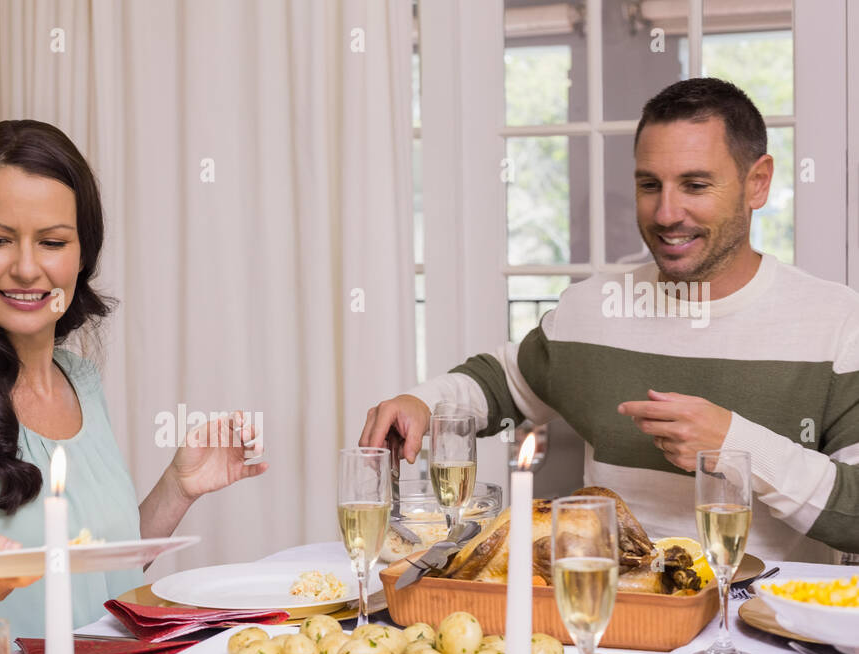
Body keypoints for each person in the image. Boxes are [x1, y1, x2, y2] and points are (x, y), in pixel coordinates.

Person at [362, 78, 859, 562]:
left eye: (695, 184)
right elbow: (501, 383)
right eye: (650, 185)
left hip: (766, 629)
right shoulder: (590, 310)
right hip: (606, 618)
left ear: (758, 182)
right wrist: (422, 402)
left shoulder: (835, 322)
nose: (667, 213)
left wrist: (734, 445)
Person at [0, 119, 266, 654]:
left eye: (52, 242)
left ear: (83, 254)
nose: (26, 268)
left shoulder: (79, 378)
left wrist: (179, 487)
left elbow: (96, 572)